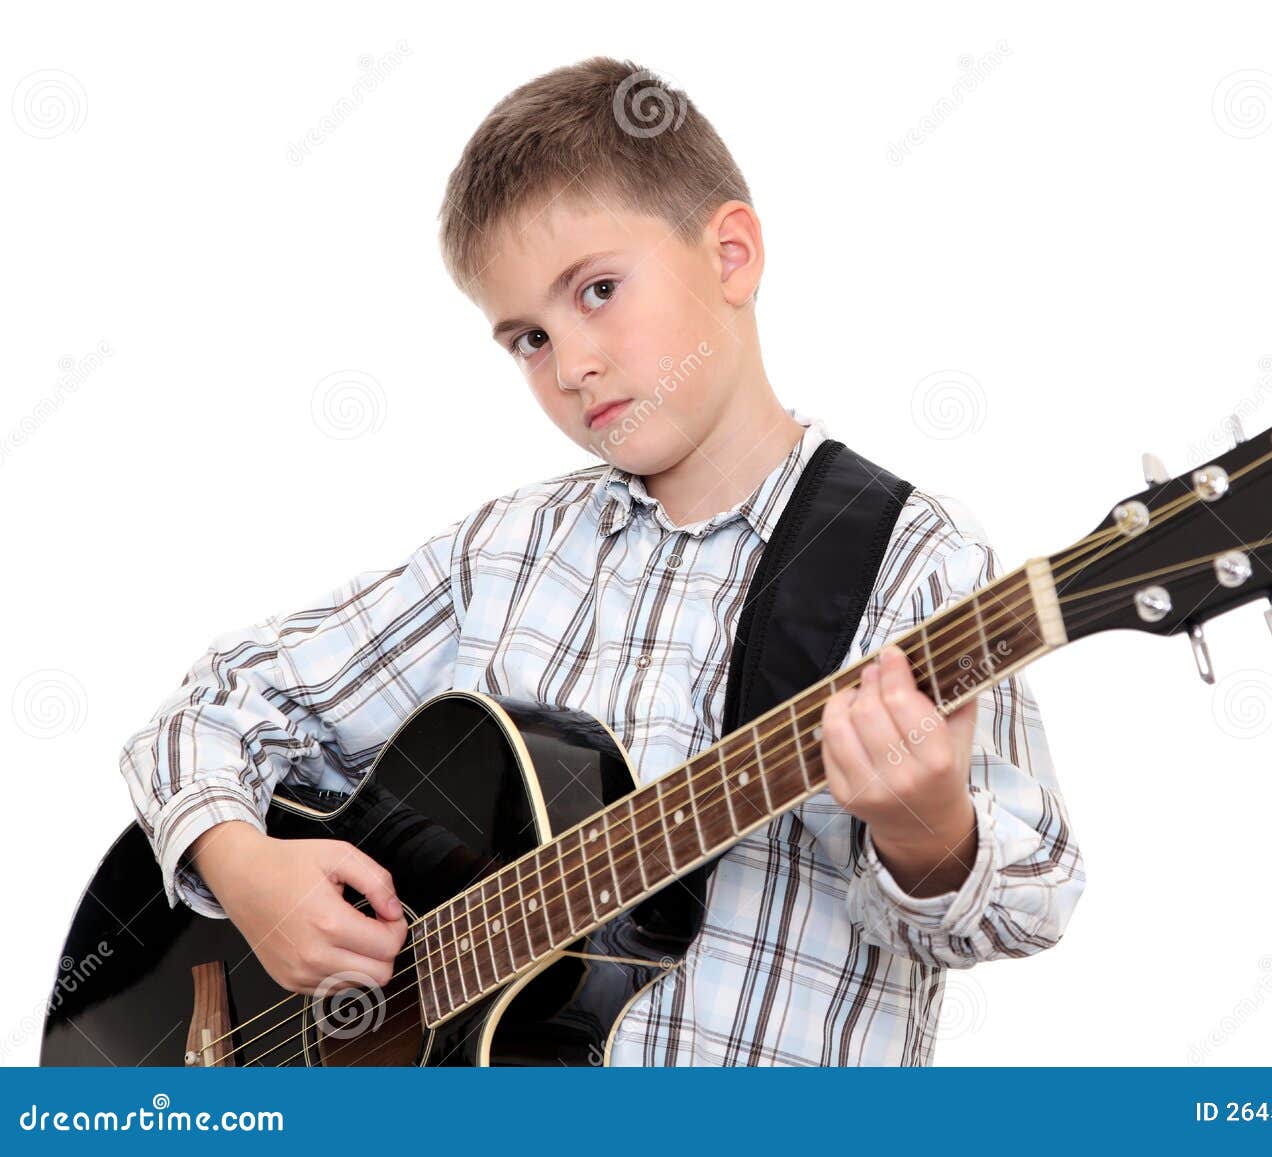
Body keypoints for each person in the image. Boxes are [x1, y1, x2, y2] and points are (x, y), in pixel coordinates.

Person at [118, 56, 1086, 1066]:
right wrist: (243, 870)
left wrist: (929, 830)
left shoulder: (911, 560)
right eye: (528, 337)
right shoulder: (503, 555)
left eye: (599, 290)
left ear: (733, 254)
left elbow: (1030, 898)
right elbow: (213, 708)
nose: (572, 364)